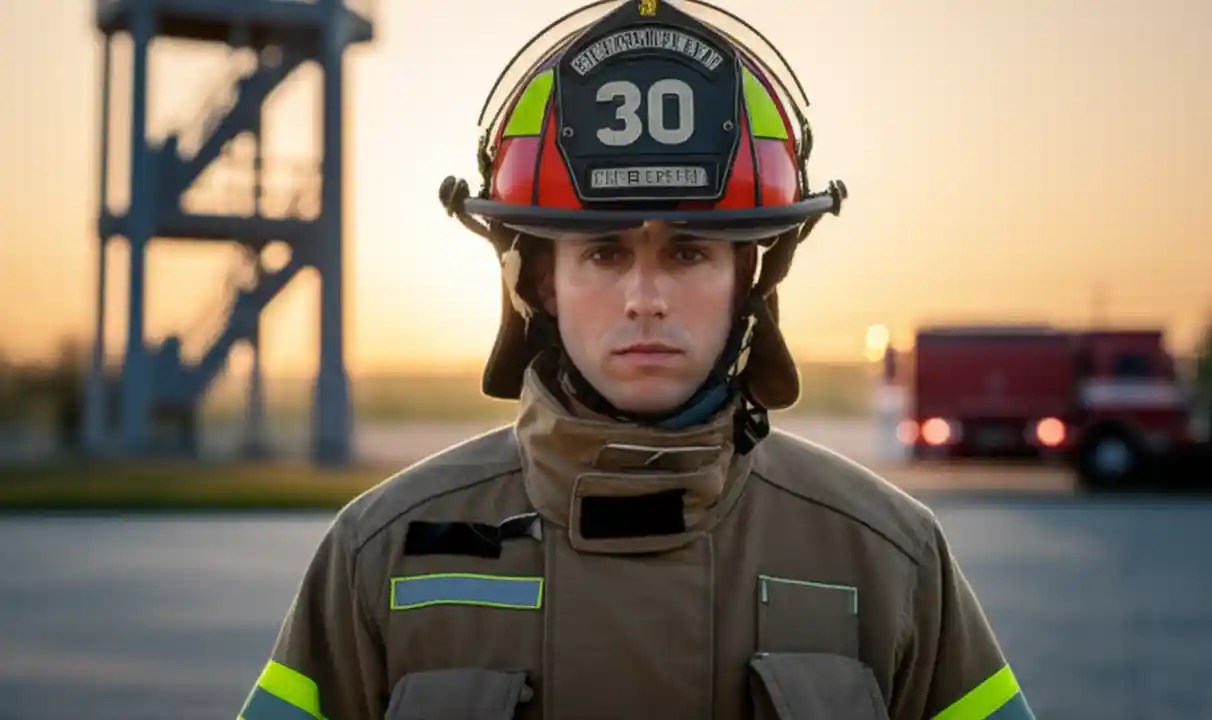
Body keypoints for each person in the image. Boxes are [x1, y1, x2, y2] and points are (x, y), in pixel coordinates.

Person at [236, 1, 1036, 718]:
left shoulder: (889, 558)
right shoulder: (378, 553)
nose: (644, 297)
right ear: (538, 278)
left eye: (689, 254)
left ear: (750, 277)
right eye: (603, 253)